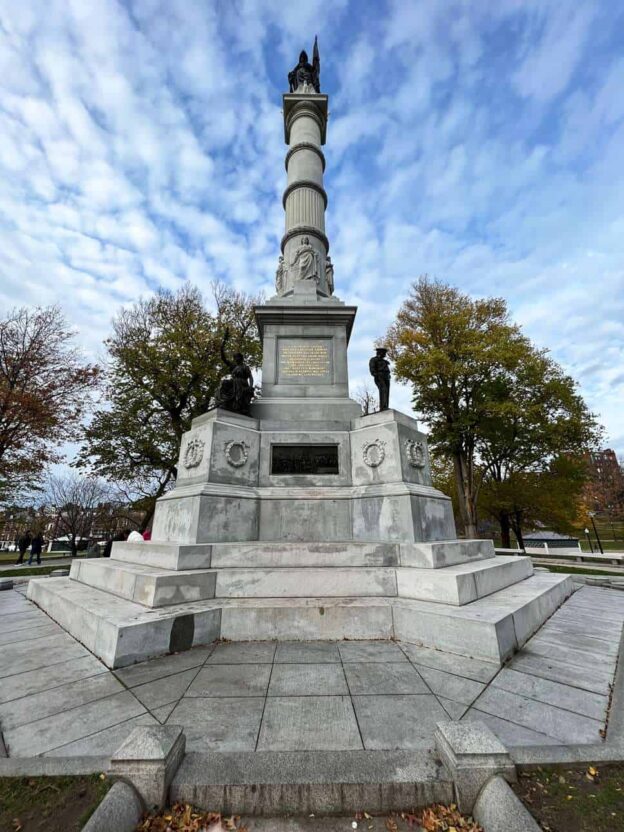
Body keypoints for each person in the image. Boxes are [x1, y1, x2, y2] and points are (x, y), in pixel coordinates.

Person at [369, 347, 391, 411]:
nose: (385, 355)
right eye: (384, 353)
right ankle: (383, 407)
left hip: (386, 377)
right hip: (379, 376)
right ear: (380, 353)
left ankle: (386, 406)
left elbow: (387, 370)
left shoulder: (385, 361)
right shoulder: (374, 360)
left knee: (387, 391)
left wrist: (388, 375)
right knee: (383, 390)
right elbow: (372, 369)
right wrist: (376, 375)